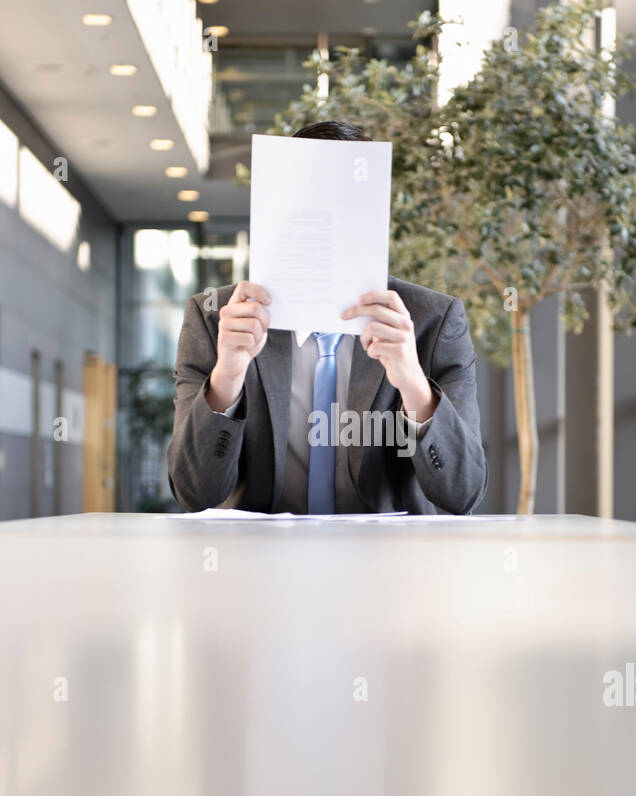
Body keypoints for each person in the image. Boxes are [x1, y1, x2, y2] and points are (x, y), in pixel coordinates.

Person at [168, 120, 487, 515]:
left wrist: (414, 386)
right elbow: (194, 494)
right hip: (259, 564)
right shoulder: (217, 319)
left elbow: (464, 493)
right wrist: (226, 381)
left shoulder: (432, 322)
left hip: (386, 565)